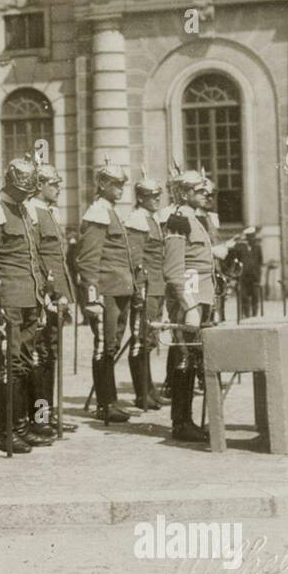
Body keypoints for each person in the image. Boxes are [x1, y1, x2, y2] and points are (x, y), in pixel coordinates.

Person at [0, 156, 53, 452]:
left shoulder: (25, 211)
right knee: (10, 366)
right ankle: (8, 431)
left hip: (29, 299)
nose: (28, 195)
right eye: (24, 190)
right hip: (8, 301)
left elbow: (34, 257)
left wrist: (42, 296)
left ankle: (23, 425)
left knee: (25, 364)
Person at [76, 161, 137, 424]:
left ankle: (110, 399)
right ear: (101, 184)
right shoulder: (97, 213)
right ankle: (105, 403)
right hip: (105, 292)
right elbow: (88, 261)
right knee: (103, 346)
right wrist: (92, 298)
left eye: (122, 184)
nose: (120, 188)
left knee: (111, 345)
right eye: (115, 183)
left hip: (119, 289)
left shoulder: (110, 211)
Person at [161, 168, 219, 443]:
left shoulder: (197, 220)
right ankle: (181, 422)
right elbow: (173, 270)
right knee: (184, 356)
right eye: (199, 190)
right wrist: (189, 304)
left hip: (201, 296)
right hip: (189, 300)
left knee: (195, 359)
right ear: (183, 193)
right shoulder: (178, 220)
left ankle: (188, 420)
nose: (205, 194)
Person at [28, 163, 77, 437]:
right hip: (45, 297)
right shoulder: (33, 213)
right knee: (41, 355)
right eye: (53, 183)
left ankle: (48, 412)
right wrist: (45, 293)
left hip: (57, 295)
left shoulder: (48, 211)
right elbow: (35, 256)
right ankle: (39, 416)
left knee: (51, 355)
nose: (58, 187)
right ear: (39, 185)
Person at [124, 175, 166, 410]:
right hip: (146, 286)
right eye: (151, 196)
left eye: (158, 195)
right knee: (140, 338)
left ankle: (149, 389)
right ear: (140, 198)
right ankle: (142, 393)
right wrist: (139, 289)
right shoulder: (137, 220)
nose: (156, 199)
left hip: (157, 286)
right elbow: (136, 258)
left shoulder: (152, 218)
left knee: (149, 339)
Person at [239, 227, 263, 318]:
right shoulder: (241, 247)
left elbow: (260, 261)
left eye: (253, 237)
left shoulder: (257, 247)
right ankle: (246, 314)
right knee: (244, 296)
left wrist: (258, 274)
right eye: (249, 237)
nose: (251, 239)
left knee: (255, 295)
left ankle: (254, 314)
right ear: (246, 237)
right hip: (243, 276)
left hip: (254, 276)